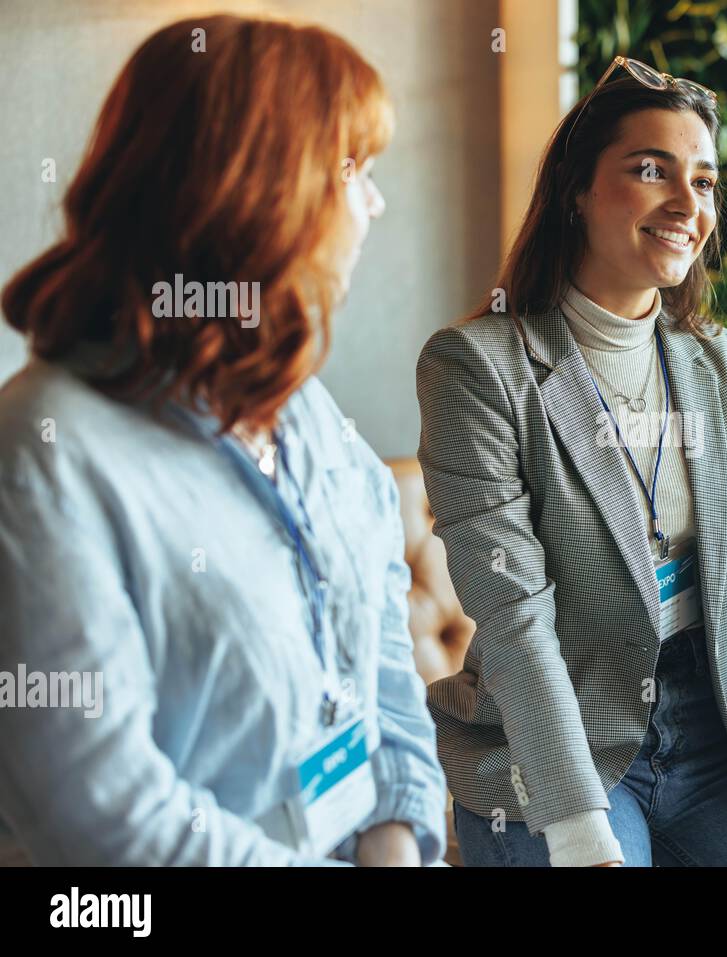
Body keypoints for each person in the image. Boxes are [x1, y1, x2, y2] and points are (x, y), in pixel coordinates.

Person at [0, 14, 445, 866]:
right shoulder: (42, 456)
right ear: (261, 191)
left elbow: (382, 649)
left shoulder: (304, 410)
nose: (375, 203)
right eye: (358, 172)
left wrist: (398, 838)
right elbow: (106, 823)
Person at [417, 57, 727, 867]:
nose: (688, 205)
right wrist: (580, 833)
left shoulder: (723, 365)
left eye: (706, 181)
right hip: (555, 740)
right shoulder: (476, 367)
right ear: (578, 191)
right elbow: (515, 619)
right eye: (652, 171)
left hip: (708, 734)